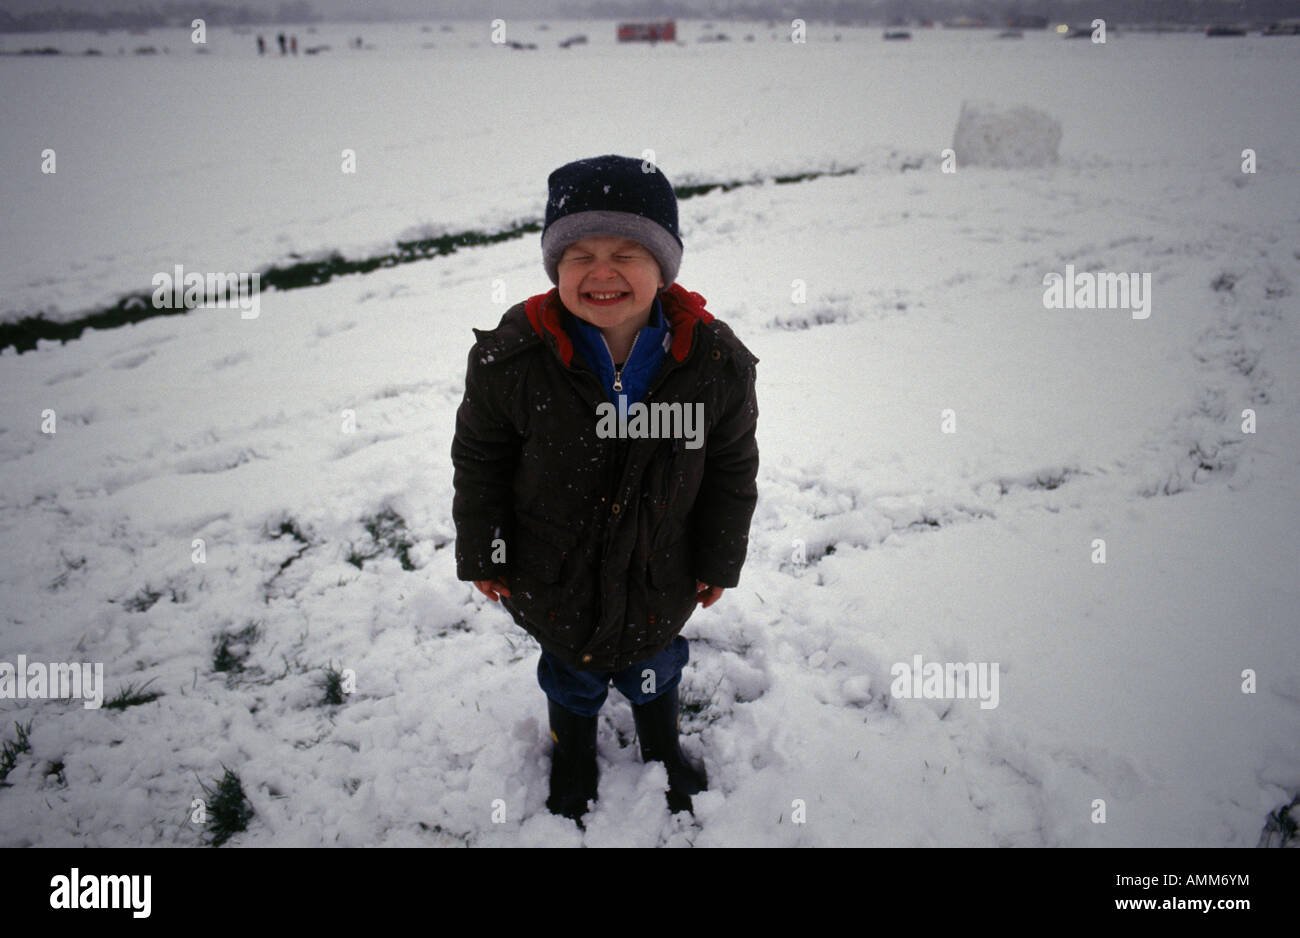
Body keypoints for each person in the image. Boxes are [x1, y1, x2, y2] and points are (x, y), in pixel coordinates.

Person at [451, 154, 759, 825]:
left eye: (628, 252)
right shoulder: (513, 359)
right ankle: (572, 752)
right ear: (555, 267)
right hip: (553, 568)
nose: (602, 272)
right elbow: (481, 458)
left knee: (654, 660)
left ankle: (662, 745)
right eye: (579, 254)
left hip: (661, 568)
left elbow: (732, 467)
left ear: (664, 265)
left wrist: (718, 557)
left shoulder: (713, 362)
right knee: (571, 669)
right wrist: (485, 548)